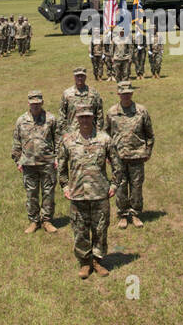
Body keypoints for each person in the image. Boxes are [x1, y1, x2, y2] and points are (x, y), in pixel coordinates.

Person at [58, 108, 117, 279]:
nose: (84, 120)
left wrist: (113, 184)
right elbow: (61, 165)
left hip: (100, 193)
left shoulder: (104, 139)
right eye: (81, 117)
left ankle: (97, 260)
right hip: (77, 193)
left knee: (100, 228)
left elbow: (116, 163)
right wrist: (65, 186)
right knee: (80, 229)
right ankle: (85, 262)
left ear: (93, 118)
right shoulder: (68, 140)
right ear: (76, 118)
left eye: (88, 117)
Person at [105, 81, 154, 229]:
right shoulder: (112, 112)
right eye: (123, 93)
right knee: (120, 186)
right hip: (118, 156)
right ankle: (123, 214)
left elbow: (149, 134)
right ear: (118, 94)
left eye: (128, 93)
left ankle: (135, 214)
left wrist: (148, 151)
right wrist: (107, 155)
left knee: (136, 187)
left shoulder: (141, 111)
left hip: (137, 155)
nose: (126, 96)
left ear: (131, 93)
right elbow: (106, 135)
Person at [12, 90, 60, 234]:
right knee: (31, 194)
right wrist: (18, 161)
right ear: (28, 104)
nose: (36, 106)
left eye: (38, 103)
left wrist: (57, 158)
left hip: (47, 162)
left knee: (48, 192)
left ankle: (46, 220)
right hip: (28, 164)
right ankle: (34, 221)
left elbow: (58, 140)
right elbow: (16, 142)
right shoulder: (21, 120)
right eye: (33, 104)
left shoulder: (51, 119)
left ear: (42, 103)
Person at [59, 68, 103, 134]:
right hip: (72, 132)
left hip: (91, 132)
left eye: (82, 76)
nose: (80, 78)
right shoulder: (67, 94)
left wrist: (98, 130)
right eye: (77, 76)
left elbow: (99, 113)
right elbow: (62, 114)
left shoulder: (94, 93)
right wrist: (65, 132)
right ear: (74, 77)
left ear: (85, 77)